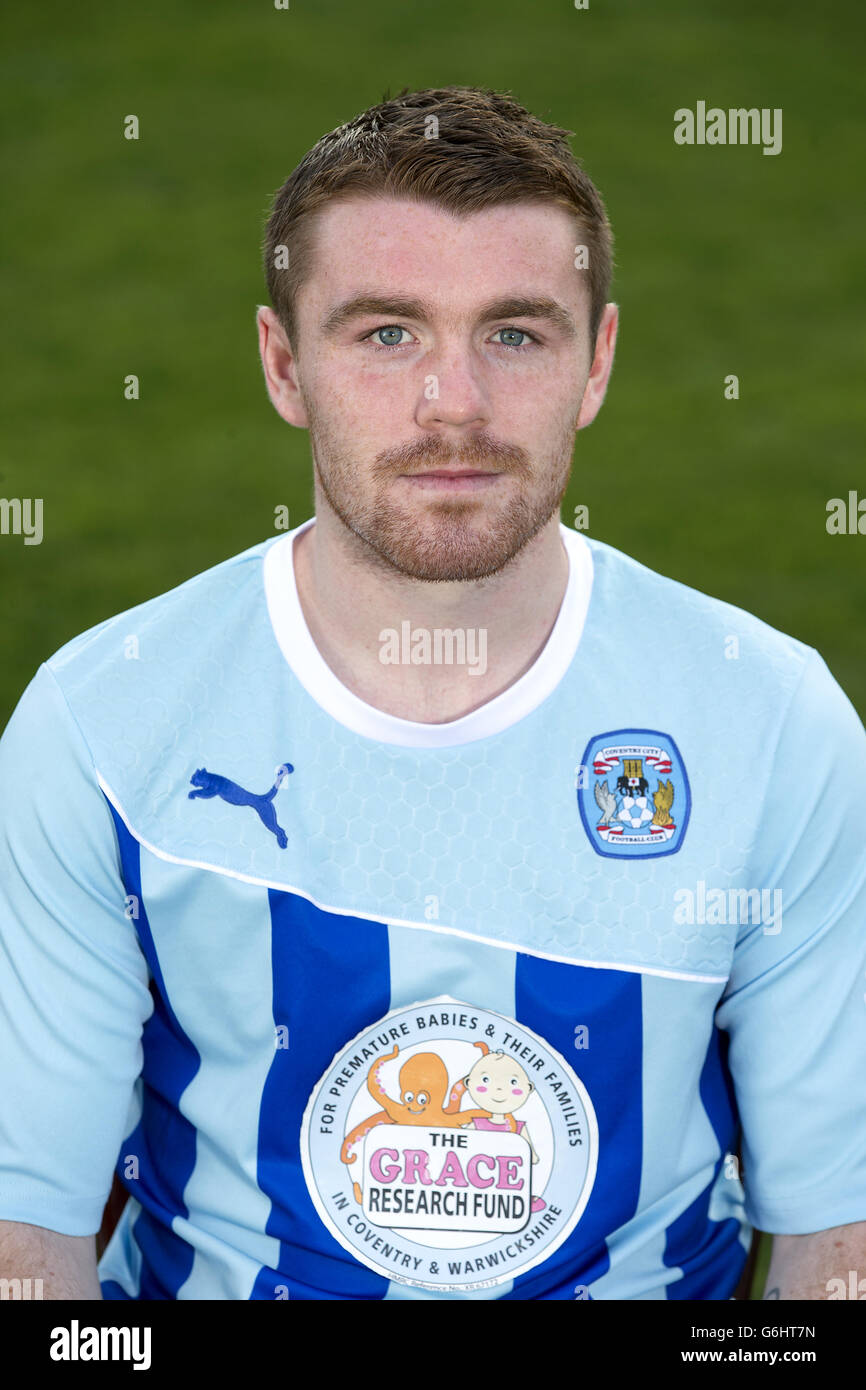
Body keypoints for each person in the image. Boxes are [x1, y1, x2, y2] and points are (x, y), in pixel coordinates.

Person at [0, 86, 863, 1302]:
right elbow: (26, 1241)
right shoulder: (100, 727)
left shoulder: (771, 726)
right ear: (283, 364)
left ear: (595, 363)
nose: (451, 402)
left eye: (513, 333)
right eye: (386, 333)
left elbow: (838, 1243)